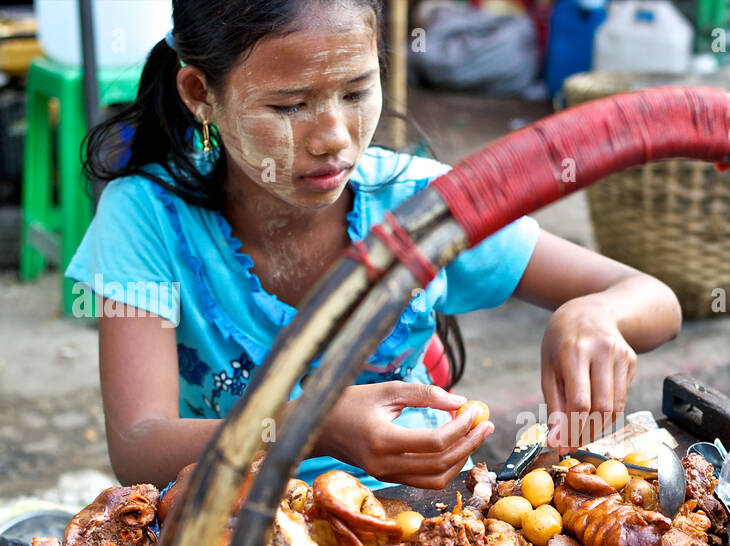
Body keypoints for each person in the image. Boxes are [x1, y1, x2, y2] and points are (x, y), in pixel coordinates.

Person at [69, 0, 681, 492]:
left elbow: (655, 299)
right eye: (289, 106)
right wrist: (311, 427)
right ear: (201, 93)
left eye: (357, 93)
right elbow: (139, 446)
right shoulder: (146, 219)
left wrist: (595, 312)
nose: (333, 138)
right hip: (228, 535)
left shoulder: (424, 205)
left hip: (424, 515)